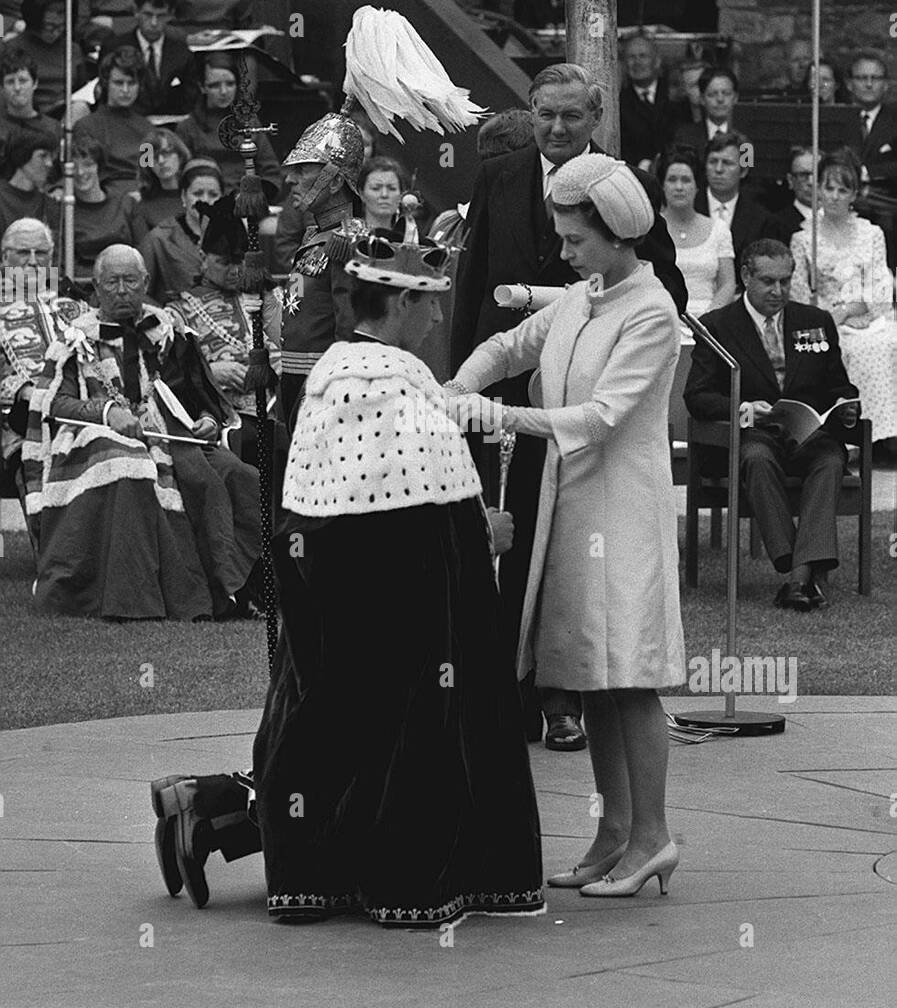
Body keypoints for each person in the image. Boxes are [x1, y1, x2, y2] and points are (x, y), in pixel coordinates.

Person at [151, 228, 544, 928]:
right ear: (397, 307)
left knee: (327, 715)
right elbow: (430, 519)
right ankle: (400, 876)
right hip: (398, 583)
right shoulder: (394, 388)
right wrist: (488, 530)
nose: (432, 321)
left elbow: (329, 507)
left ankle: (221, 816)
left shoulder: (331, 374)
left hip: (320, 575)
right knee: (410, 717)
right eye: (425, 308)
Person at [447, 153, 684, 898]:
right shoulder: (582, 295)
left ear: (615, 236)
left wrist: (499, 413)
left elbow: (604, 415)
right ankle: (614, 831)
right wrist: (462, 379)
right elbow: (511, 343)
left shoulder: (650, 310)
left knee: (629, 673)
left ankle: (653, 836)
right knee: (591, 676)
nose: (562, 252)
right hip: (572, 501)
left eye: (575, 240)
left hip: (624, 506)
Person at [21, 243, 261, 620]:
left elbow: (201, 394)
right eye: (112, 282)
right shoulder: (75, 339)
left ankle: (244, 592)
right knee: (128, 464)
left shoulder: (169, 330)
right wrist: (106, 411)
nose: (121, 290)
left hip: (175, 438)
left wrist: (208, 420)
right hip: (95, 438)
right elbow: (53, 403)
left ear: (145, 282)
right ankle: (134, 599)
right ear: (96, 288)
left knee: (240, 475)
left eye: (130, 281)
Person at [684, 239, 859, 611]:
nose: (778, 291)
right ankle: (799, 573)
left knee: (831, 460)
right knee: (758, 457)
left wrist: (846, 406)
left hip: (809, 437)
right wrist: (745, 407)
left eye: (785, 281)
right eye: (767, 281)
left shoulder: (815, 322)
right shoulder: (718, 326)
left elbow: (838, 384)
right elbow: (697, 396)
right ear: (745, 276)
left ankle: (797, 579)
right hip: (753, 435)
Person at [790, 151, 897, 446]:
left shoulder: (872, 234)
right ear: (819, 190)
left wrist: (846, 312)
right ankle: (847, 437)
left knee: (885, 343)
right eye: (829, 188)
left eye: (843, 189)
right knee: (837, 347)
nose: (835, 196)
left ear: (853, 194)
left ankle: (884, 435)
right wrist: (828, 318)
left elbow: (879, 288)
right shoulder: (803, 238)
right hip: (820, 318)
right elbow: (798, 292)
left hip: (867, 315)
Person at [170, 192, 282, 467]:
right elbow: (174, 376)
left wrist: (267, 371)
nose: (234, 270)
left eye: (239, 261)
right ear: (203, 257)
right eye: (224, 262)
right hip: (220, 417)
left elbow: (289, 349)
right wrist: (211, 375)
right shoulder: (178, 310)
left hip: (272, 411)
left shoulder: (268, 298)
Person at [277, 113, 367, 425]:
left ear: (336, 180)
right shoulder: (313, 236)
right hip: (293, 382)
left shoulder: (348, 241)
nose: (290, 179)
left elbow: (348, 328)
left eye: (302, 170)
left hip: (322, 388)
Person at [0, 220, 82, 521]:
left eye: (41, 253)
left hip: (77, 407)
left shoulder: (73, 301)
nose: (33, 261)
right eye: (23, 253)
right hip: (17, 419)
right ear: (3, 258)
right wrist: (21, 389)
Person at [176, 57, 281, 198]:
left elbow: (271, 172)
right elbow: (180, 177)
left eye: (230, 84)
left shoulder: (250, 122)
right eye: (214, 85)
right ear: (202, 87)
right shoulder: (187, 127)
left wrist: (258, 198)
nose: (224, 91)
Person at [658, 146, 735, 321]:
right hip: (663, 318)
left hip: (710, 323)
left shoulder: (719, 229)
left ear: (697, 186)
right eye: (672, 179)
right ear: (662, 186)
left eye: (686, 180)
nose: (679, 187)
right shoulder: (651, 228)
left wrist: (709, 318)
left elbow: (727, 284)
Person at [99, 0, 196, 116]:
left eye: (161, 16)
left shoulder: (182, 53)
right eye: (148, 14)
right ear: (136, 11)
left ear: (170, 15)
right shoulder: (113, 48)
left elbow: (190, 100)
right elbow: (104, 97)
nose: (154, 23)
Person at [139, 158, 224, 303]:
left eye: (213, 195)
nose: (205, 200)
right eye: (197, 193)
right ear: (184, 196)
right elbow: (139, 293)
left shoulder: (235, 235)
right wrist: (167, 317)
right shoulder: (159, 239)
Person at [73, 47, 155, 195]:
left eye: (131, 83)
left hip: (141, 196)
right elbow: (85, 173)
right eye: (118, 83)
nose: (125, 90)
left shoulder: (147, 129)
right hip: (103, 197)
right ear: (106, 83)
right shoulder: (86, 127)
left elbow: (147, 171)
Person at [694, 130, 779, 262]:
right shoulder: (689, 207)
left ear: (743, 171)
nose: (718, 169)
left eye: (727, 163)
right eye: (712, 161)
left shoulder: (761, 220)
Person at [69, 128, 136, 278]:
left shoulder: (126, 204)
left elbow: (142, 253)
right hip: (83, 286)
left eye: (88, 164)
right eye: (74, 166)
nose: (80, 172)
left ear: (99, 167)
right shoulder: (64, 211)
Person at [11, 0, 85, 114]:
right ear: (35, 19)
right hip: (26, 114)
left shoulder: (73, 49)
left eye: (61, 26)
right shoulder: (11, 48)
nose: (55, 32)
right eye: (49, 26)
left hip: (65, 114)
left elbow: (81, 89)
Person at [618, 34, 678, 170]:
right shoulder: (620, 103)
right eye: (631, 57)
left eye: (643, 56)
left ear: (657, 61)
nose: (637, 62)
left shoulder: (675, 95)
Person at [122, 127, 191, 245]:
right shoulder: (142, 207)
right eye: (154, 157)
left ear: (180, 156)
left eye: (166, 153)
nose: (161, 161)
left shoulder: (198, 195)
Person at [844, 52, 897, 199]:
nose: (868, 84)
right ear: (849, 84)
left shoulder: (894, 119)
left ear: (886, 84)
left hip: (888, 206)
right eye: (861, 78)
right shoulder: (839, 119)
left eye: (875, 78)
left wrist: (867, 172)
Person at [0, 127, 60, 243]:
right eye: (43, 156)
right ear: (22, 156)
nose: (49, 163)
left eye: (50, 157)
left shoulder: (50, 205)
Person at [673, 65, 743, 163]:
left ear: (735, 98)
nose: (720, 99)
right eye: (713, 94)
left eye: (726, 93)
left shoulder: (744, 138)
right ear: (702, 99)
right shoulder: (685, 137)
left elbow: (746, 173)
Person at [0, 48, 61, 152]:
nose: (17, 88)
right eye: (10, 82)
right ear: (1, 88)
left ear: (35, 83)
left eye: (23, 81)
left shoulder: (53, 128)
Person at [767, 146, 817, 244]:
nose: (811, 182)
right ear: (790, 180)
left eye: (818, 175)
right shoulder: (775, 225)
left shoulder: (839, 219)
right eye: (803, 175)